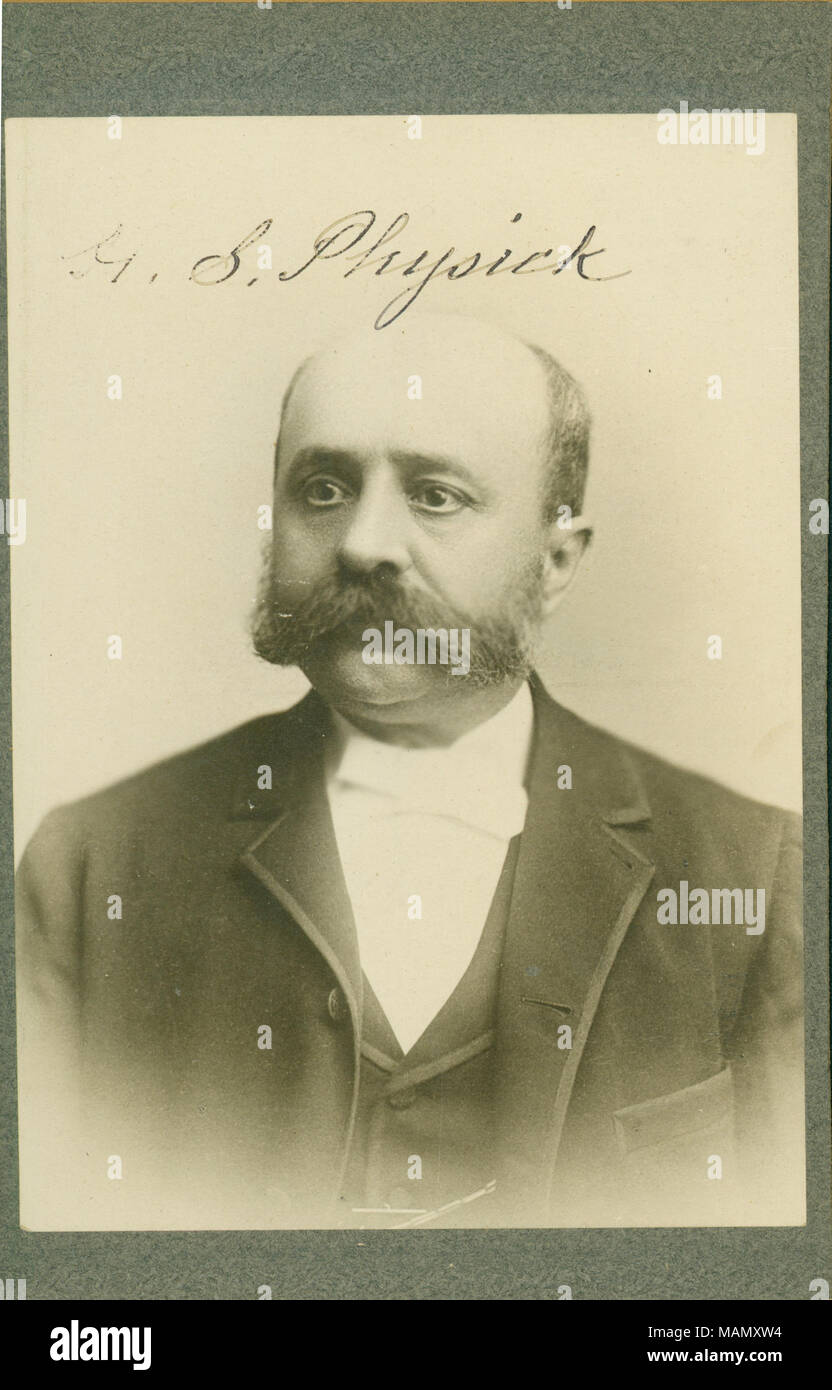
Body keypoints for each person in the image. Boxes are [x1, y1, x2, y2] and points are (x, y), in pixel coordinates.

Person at [15, 314, 804, 1230]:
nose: (362, 542)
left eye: (435, 496)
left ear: (554, 564)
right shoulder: (87, 871)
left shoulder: (757, 872)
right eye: (323, 487)